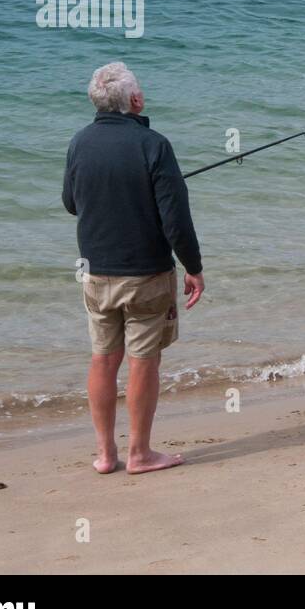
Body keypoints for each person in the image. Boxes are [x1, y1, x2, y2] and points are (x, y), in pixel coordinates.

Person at [63, 62, 205, 473]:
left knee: (103, 358)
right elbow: (175, 218)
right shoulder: (154, 145)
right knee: (144, 359)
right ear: (136, 101)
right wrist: (193, 267)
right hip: (147, 275)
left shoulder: (79, 143)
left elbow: (71, 202)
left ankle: (106, 454)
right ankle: (139, 454)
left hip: (95, 273)